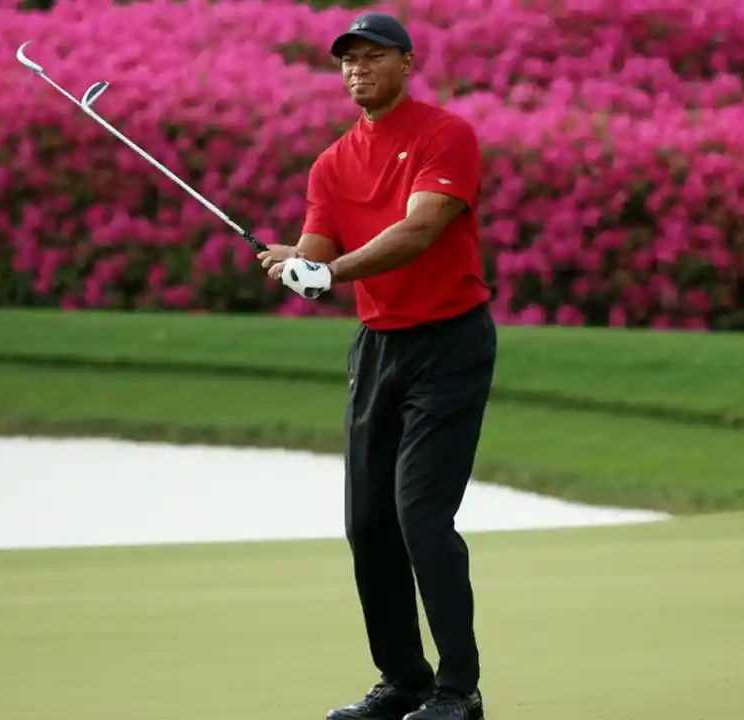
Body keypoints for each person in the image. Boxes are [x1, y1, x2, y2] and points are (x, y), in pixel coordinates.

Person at [255, 11, 495, 720]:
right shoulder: (331, 162)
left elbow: (420, 229)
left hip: (450, 344)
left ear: (407, 62)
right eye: (347, 60)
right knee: (368, 523)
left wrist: (331, 274)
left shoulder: (443, 134)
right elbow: (317, 254)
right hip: (379, 346)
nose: (357, 69)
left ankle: (459, 691)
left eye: (373, 57)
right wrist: (297, 267)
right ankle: (404, 682)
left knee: (421, 515)